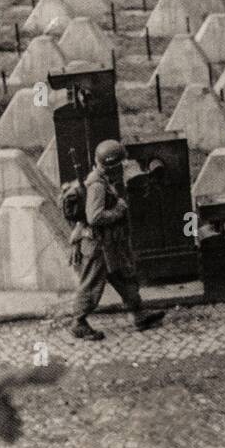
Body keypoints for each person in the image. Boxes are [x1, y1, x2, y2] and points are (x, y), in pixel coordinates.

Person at [69, 139, 163, 340]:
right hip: (98, 246)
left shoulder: (103, 180)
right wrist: (119, 210)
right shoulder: (97, 185)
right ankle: (78, 322)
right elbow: (94, 217)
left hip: (110, 244)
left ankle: (138, 314)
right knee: (92, 284)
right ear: (113, 165)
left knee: (124, 277)